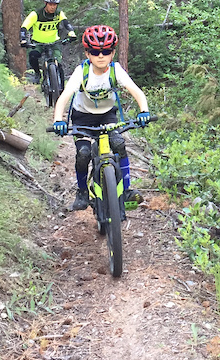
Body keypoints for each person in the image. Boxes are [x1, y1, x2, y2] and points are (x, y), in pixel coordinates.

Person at [51, 24, 150, 216]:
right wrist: (58, 120)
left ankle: (126, 190)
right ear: (87, 54)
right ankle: (82, 192)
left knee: (118, 143)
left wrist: (144, 111)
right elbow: (64, 97)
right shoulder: (82, 71)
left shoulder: (116, 70)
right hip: (82, 117)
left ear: (113, 53)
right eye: (95, 52)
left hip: (107, 115)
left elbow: (137, 92)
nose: (101, 56)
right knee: (83, 153)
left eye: (106, 51)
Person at [20, 0, 76, 83]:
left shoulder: (58, 13)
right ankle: (37, 73)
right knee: (33, 56)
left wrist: (71, 33)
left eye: (55, 4)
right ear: (45, 3)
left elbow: (66, 23)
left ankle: (61, 87)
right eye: (50, 4)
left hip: (54, 42)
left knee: (59, 64)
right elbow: (24, 26)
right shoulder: (36, 14)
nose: (53, 7)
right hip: (38, 42)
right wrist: (23, 39)